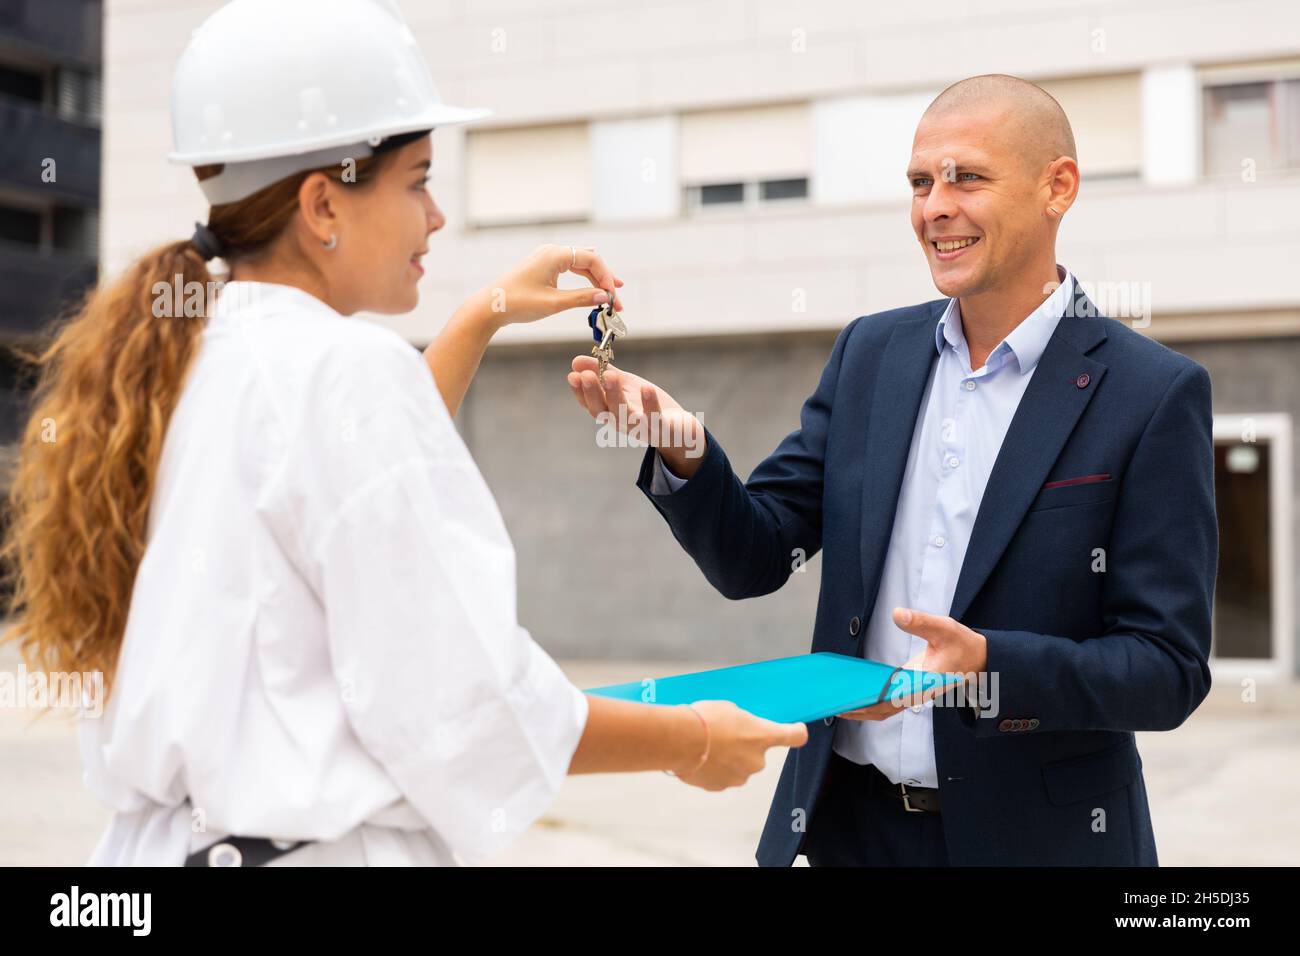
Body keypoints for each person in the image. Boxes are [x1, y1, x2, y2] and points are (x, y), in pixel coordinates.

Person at [0, 0, 805, 867]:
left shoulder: (171, 360)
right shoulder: (341, 370)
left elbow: (338, 479)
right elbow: (470, 703)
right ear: (322, 205)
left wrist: (481, 315)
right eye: (418, 179)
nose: (437, 216)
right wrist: (692, 739)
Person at [567, 74, 1216, 867]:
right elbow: (757, 558)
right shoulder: (871, 354)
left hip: (1040, 844)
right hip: (848, 831)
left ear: (1059, 186)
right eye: (920, 182)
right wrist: (682, 446)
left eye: (967, 177)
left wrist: (989, 665)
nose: (934, 206)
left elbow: (1165, 670)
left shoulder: (1151, 392)